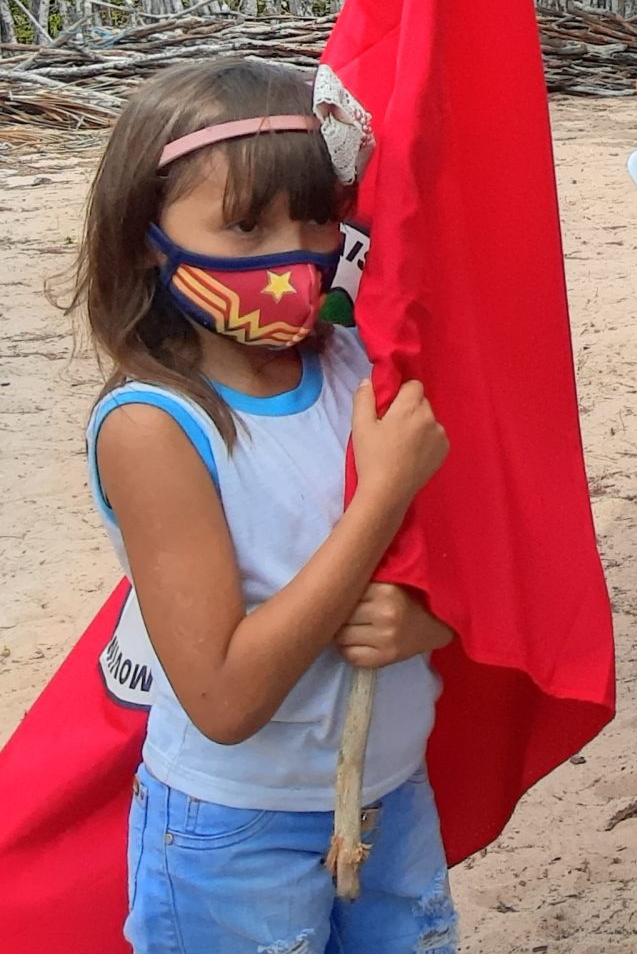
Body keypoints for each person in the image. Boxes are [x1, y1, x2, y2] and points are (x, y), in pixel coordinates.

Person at [76, 56, 454, 953]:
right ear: (142, 235)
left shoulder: (362, 366)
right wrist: (382, 499)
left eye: (316, 217)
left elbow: (469, 554)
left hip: (390, 799)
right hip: (234, 835)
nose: (290, 261)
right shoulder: (154, 428)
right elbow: (225, 696)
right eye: (244, 228)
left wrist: (431, 622)